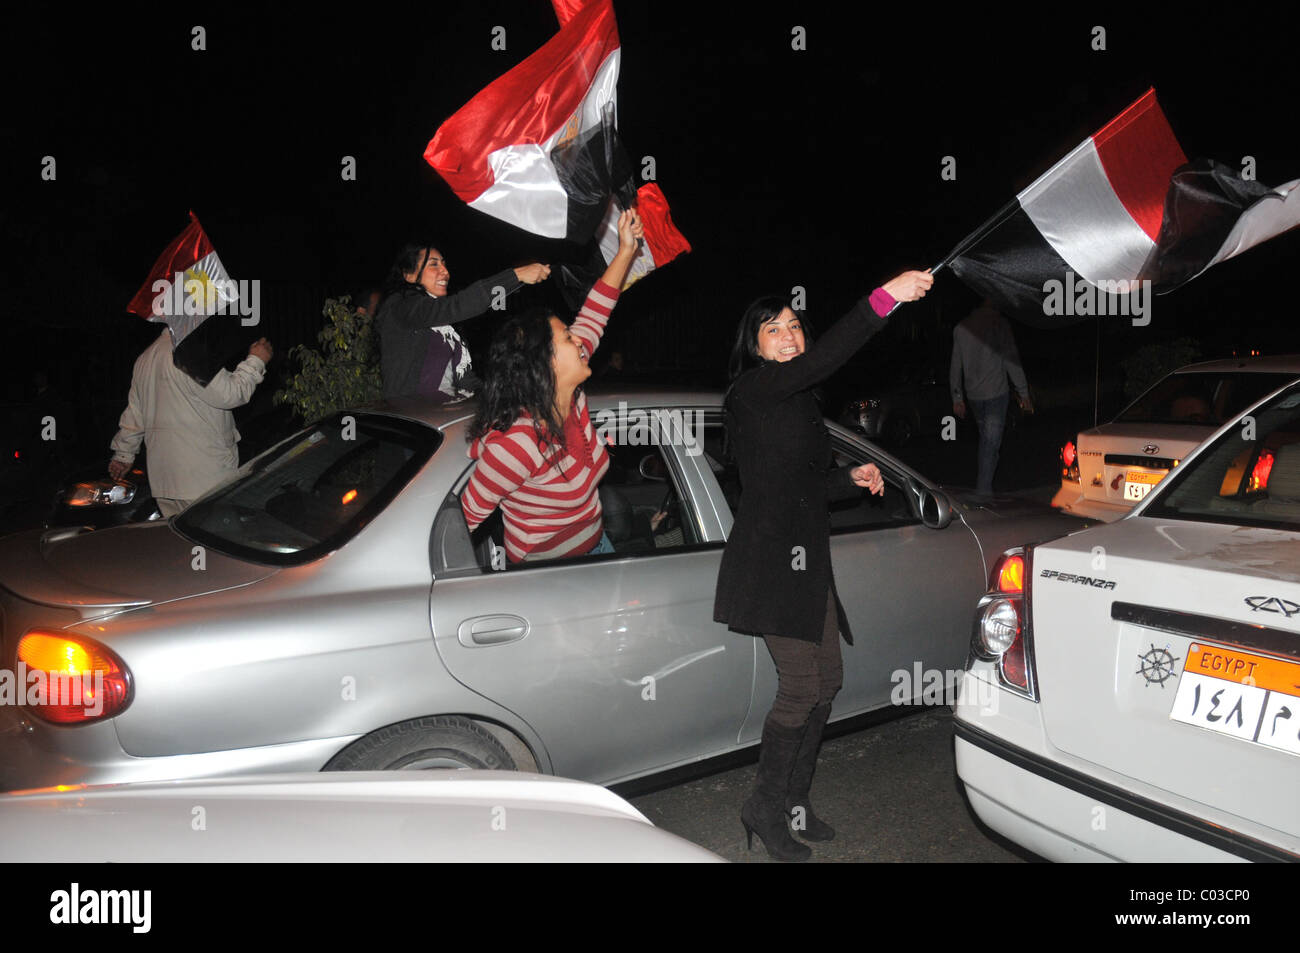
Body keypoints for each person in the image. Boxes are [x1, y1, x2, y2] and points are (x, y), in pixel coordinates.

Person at [714, 268, 934, 861]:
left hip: (806, 561)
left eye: (794, 325)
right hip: (768, 564)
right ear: (753, 343)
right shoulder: (753, 391)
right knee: (801, 686)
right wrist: (882, 300)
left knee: (827, 683)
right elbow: (824, 361)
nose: (788, 335)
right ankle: (763, 804)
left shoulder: (798, 401)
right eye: (773, 328)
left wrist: (848, 477)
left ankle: (792, 800)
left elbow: (797, 484)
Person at [461, 209, 644, 563]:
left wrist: (625, 251)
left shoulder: (571, 397)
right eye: (568, 337)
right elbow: (463, 521)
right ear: (545, 363)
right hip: (546, 579)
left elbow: (596, 311)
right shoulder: (517, 444)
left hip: (598, 547)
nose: (580, 341)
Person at [108, 329, 273, 517]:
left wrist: (123, 454)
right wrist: (256, 361)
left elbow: (135, 414)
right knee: (217, 541)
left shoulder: (146, 358)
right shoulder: (191, 351)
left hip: (165, 481)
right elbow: (231, 395)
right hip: (203, 478)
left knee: (183, 544)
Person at [377, 243, 550, 402]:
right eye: (434, 264)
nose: (445, 271)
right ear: (409, 275)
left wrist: (499, 397)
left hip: (446, 417)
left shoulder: (444, 328)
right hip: (416, 425)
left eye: (444, 264)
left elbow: (463, 381)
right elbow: (459, 305)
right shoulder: (401, 306)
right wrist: (516, 275)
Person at [949, 299, 1033, 494]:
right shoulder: (1000, 325)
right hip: (996, 394)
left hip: (974, 396)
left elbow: (955, 367)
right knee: (990, 444)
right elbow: (1012, 360)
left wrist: (958, 398)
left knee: (989, 443)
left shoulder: (961, 327)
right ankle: (983, 492)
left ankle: (986, 487)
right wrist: (1023, 392)